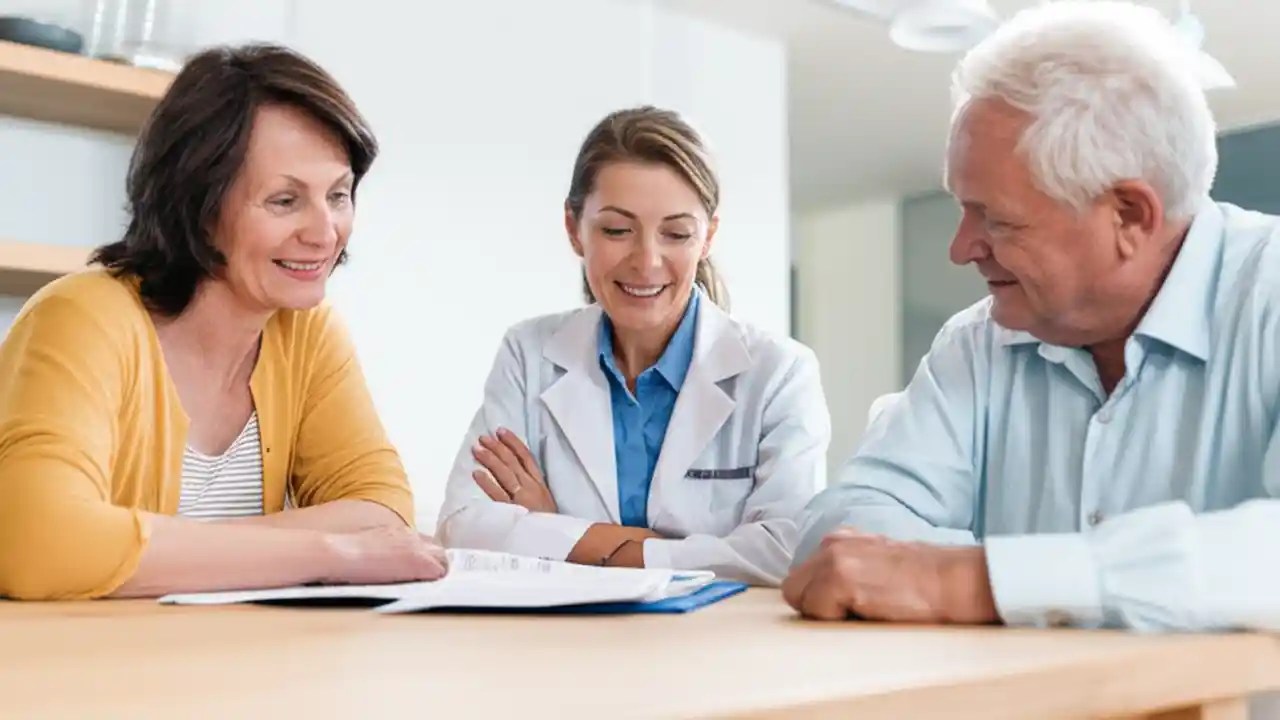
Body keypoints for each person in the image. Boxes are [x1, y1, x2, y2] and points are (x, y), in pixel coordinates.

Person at [786, 0, 1280, 631]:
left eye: (997, 219)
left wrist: (982, 584)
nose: (960, 248)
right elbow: (848, 523)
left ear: (1129, 215)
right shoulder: (975, 343)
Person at [0, 43, 446, 601]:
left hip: (219, 668)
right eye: (285, 200)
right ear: (200, 207)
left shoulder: (306, 333)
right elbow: (40, 546)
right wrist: (330, 553)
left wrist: (164, 551)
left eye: (338, 194)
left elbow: (382, 512)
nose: (325, 231)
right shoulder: (81, 318)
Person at [436, 106, 830, 585]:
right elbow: (464, 526)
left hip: (713, 647)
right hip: (563, 648)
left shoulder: (778, 373)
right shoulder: (529, 353)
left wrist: (558, 532)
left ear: (708, 237)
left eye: (676, 233)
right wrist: (685, 551)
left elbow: (784, 551)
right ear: (573, 229)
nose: (647, 261)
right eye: (617, 230)